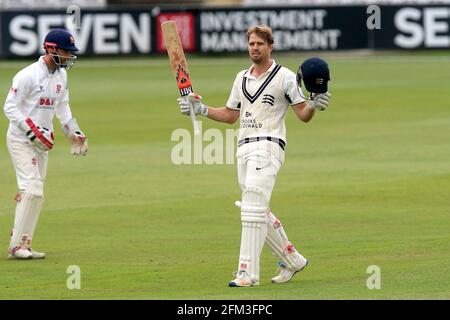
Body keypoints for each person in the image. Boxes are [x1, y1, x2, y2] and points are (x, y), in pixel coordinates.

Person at [178, 25, 331, 287]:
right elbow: (230, 114)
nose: (255, 48)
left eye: (260, 44)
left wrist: (315, 104)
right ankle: (292, 260)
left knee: (251, 210)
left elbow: (303, 114)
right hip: (244, 148)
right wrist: (201, 109)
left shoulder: (285, 77)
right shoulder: (241, 78)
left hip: (270, 146)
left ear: (270, 46)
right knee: (258, 210)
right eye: (251, 44)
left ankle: (247, 273)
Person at [3, 28, 88, 259]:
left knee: (35, 193)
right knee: (32, 187)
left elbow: (63, 106)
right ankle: (16, 247)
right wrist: (30, 129)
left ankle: (23, 243)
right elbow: (9, 107)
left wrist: (73, 131)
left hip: (43, 142)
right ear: (51, 49)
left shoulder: (62, 76)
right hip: (21, 139)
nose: (70, 57)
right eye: (66, 52)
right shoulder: (27, 75)